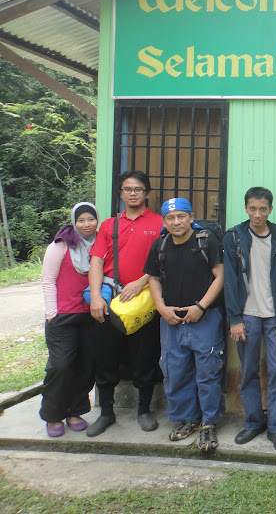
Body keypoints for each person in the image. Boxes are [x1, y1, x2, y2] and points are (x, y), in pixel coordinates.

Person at [144, 198, 224, 453]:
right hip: (171, 320)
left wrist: (201, 307)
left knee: (208, 371)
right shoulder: (160, 244)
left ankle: (208, 421)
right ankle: (187, 418)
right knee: (175, 370)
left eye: (181, 216)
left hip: (204, 318)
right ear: (164, 221)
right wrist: (161, 307)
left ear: (191, 217)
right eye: (170, 218)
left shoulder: (206, 242)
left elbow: (220, 276)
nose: (176, 222)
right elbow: (153, 279)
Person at [87, 171, 163, 437]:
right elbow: (96, 260)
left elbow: (163, 261)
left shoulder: (159, 223)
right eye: (128, 189)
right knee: (105, 357)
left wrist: (141, 282)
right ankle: (107, 413)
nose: (133, 193)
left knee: (146, 356)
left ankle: (144, 410)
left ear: (147, 193)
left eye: (138, 189)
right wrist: (95, 296)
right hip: (111, 302)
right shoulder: (109, 225)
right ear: (120, 193)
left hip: (144, 302)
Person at [224, 187, 276, 453]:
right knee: (249, 370)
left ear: (270, 209)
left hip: (275, 315)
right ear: (246, 208)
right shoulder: (234, 236)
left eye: (262, 209)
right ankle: (254, 421)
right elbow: (230, 280)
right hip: (247, 315)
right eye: (253, 208)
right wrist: (234, 318)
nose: (257, 214)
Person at [39, 202, 99, 437]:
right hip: (62, 316)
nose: (87, 224)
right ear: (74, 222)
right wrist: (52, 313)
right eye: (81, 220)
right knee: (60, 366)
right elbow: (47, 280)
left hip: (90, 315)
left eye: (91, 219)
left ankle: (75, 411)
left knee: (86, 365)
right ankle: (53, 414)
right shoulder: (60, 245)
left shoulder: (98, 245)